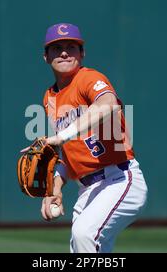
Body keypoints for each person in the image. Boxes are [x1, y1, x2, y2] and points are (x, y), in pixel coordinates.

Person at [35, 23, 147, 253]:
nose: (64, 52)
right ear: (46, 57)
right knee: (82, 246)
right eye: (56, 48)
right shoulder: (49, 98)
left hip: (119, 178)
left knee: (85, 234)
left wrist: (62, 135)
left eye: (71, 47)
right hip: (87, 190)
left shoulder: (88, 78)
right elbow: (69, 153)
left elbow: (108, 104)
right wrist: (54, 189)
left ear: (82, 53)